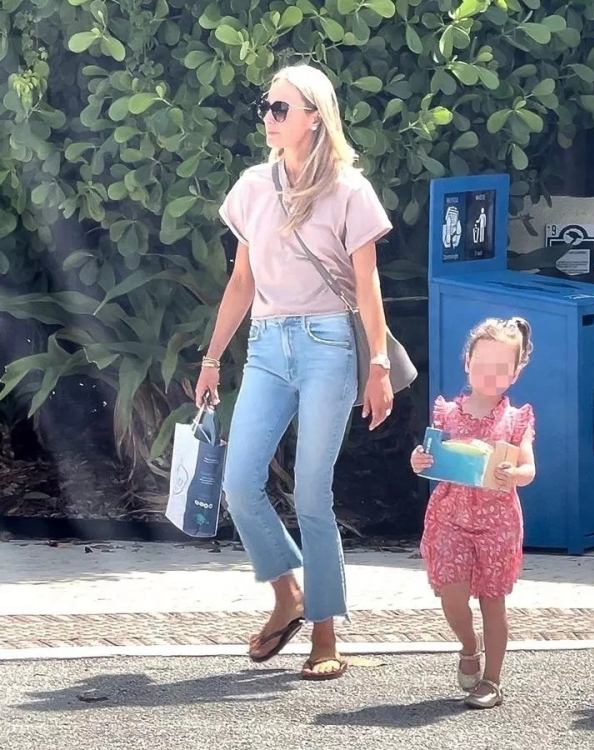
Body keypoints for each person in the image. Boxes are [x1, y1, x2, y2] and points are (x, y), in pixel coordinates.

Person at [194, 63, 396, 680]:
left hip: (329, 344)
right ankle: (288, 594)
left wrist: (379, 363)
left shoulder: (350, 190)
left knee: (312, 492)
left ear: (314, 117)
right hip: (266, 345)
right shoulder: (253, 186)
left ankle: (326, 634)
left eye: (280, 108)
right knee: (239, 483)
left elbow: (367, 284)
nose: (268, 117)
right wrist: (211, 358)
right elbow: (240, 280)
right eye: (266, 106)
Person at [409, 317, 537, 709]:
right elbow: (427, 458)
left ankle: (492, 680)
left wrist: (514, 473)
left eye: (501, 367)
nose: (490, 375)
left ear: (515, 373)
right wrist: (418, 460)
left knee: (493, 601)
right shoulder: (447, 413)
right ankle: (469, 644)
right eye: (482, 364)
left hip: (498, 521)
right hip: (450, 515)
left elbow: (529, 469)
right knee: (451, 595)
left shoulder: (516, 420)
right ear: (467, 362)